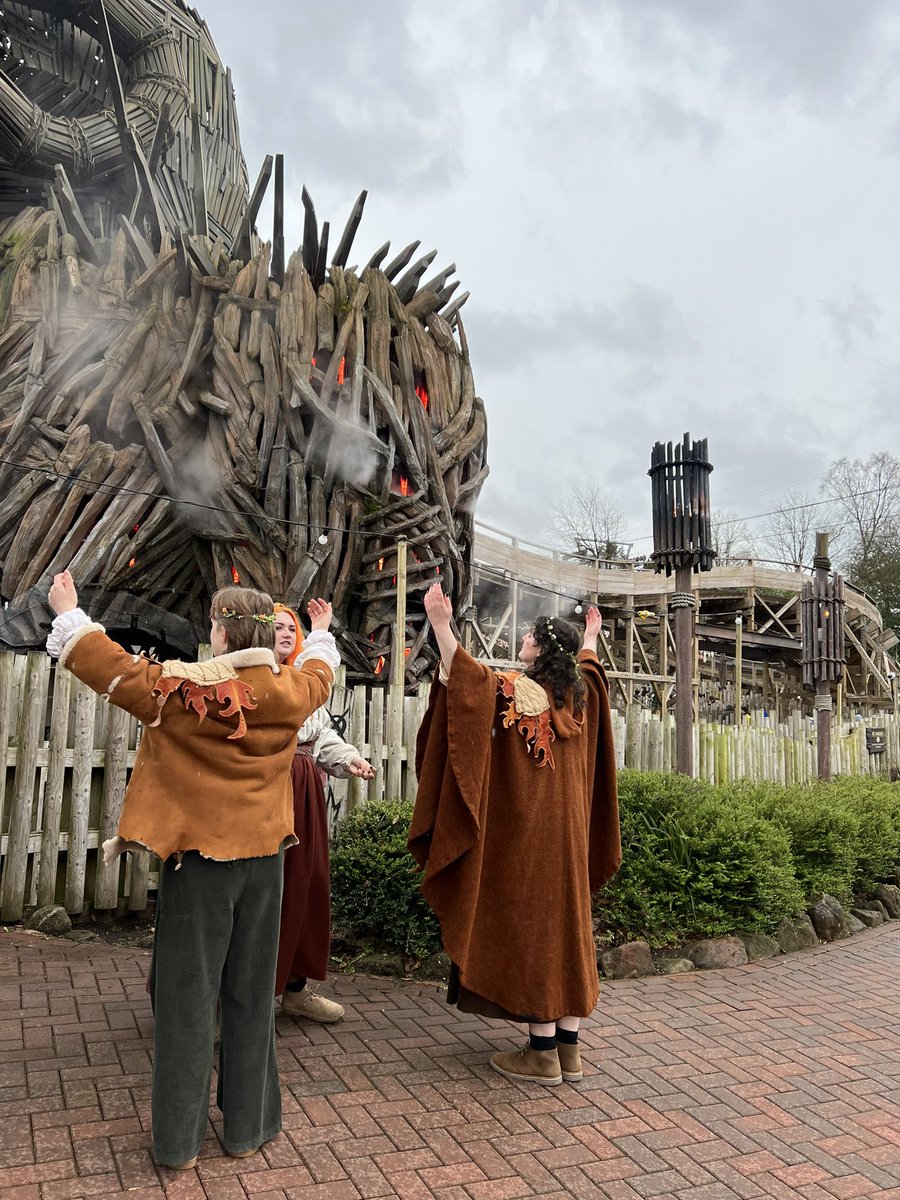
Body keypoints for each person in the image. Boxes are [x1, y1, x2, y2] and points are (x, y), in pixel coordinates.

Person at [45, 571, 340, 1170]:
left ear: (222, 632)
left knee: (187, 1000)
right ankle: (248, 1128)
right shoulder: (292, 690)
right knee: (251, 994)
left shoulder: (185, 690)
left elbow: (112, 668)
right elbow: (321, 669)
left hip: (202, 865)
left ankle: (179, 1144)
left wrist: (69, 612)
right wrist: (322, 632)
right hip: (267, 864)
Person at [409, 582, 621, 1086]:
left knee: (536, 932)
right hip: (570, 843)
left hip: (533, 843)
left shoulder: (523, 693)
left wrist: (441, 625)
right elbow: (591, 669)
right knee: (569, 932)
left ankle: (542, 1054)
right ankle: (568, 1051)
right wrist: (590, 637)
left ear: (543, 650)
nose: (523, 639)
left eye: (530, 636)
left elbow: (471, 682)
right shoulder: (582, 700)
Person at [272, 603, 374, 1022]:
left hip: (304, 797)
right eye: (277, 627)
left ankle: (295, 989)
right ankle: (232, 1000)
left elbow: (319, 736)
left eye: (291, 629)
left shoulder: (303, 680)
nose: (285, 634)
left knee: (304, 887)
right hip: (264, 794)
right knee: (264, 892)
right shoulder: (252, 678)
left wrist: (348, 758)